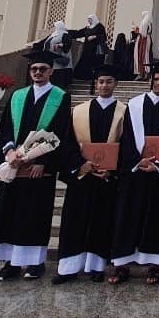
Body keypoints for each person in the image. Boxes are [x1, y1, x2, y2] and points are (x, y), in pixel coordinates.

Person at [0, 51, 72, 281]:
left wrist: (44, 163)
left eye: (43, 69)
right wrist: (9, 152)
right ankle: (10, 263)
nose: (38, 72)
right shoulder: (18, 96)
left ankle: (35, 263)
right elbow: (5, 128)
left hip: (38, 170)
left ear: (51, 71)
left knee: (35, 214)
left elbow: (61, 133)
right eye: (34, 69)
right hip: (15, 165)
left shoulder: (61, 97)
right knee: (10, 212)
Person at [108, 62, 159, 285]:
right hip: (135, 173)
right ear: (150, 80)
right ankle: (122, 265)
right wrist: (137, 161)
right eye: (156, 79)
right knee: (128, 216)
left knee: (158, 218)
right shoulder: (134, 104)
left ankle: (154, 265)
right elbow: (127, 138)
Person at [52, 64, 127, 284]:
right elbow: (67, 142)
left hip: (106, 178)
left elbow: (127, 145)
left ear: (115, 84)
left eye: (109, 82)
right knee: (74, 221)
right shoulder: (79, 111)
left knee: (101, 221)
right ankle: (68, 268)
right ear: (96, 84)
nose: (104, 86)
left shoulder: (124, 112)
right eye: (101, 81)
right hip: (82, 176)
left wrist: (112, 169)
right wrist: (80, 165)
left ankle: (96, 267)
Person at [32, 20, 73, 88]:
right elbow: (43, 43)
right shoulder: (52, 35)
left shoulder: (65, 34)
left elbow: (68, 44)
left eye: (54, 26)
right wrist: (34, 45)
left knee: (57, 77)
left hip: (59, 60)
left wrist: (60, 45)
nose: (53, 28)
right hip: (49, 59)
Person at [71, 15, 108, 80]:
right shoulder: (88, 27)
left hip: (95, 50)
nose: (89, 21)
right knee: (84, 63)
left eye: (90, 19)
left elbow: (103, 37)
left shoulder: (99, 26)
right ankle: (83, 77)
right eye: (88, 19)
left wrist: (94, 36)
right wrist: (67, 32)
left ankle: (93, 77)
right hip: (87, 49)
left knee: (94, 64)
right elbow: (79, 33)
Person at [133, 11, 152, 80]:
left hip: (143, 41)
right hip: (145, 40)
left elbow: (143, 34)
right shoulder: (148, 22)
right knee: (143, 56)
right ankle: (143, 73)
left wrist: (137, 31)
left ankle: (143, 73)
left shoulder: (145, 22)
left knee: (143, 56)